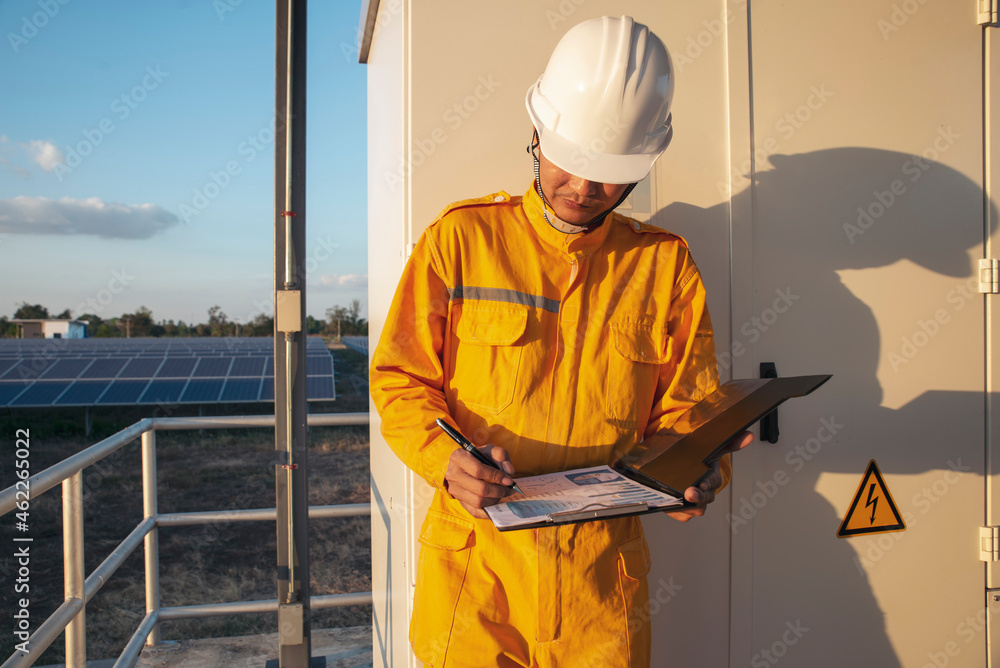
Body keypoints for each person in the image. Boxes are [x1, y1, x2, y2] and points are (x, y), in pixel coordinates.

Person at [370, 15, 751, 667]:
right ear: (537, 136)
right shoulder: (460, 241)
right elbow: (400, 380)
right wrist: (445, 461)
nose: (581, 189)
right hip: (475, 580)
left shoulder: (664, 267)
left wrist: (693, 472)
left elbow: (688, 414)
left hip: (599, 590)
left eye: (607, 175)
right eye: (568, 163)